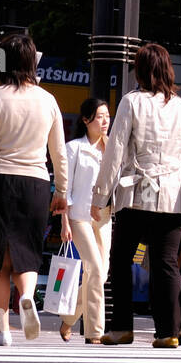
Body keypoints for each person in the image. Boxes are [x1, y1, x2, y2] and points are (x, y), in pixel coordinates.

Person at [91, 42, 181, 348]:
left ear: (140, 71)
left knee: (120, 260)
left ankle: (121, 328)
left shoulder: (131, 102)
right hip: (174, 198)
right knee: (166, 263)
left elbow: (114, 152)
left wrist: (100, 197)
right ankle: (168, 331)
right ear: (169, 70)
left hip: (135, 195)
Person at [0, 33, 69, 346]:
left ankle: (2, 330)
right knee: (27, 255)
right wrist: (62, 191)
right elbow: (59, 152)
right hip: (37, 184)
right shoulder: (48, 100)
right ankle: (26, 296)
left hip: (1, 183)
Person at [60, 98, 111, 343]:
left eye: (107, 116)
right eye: (99, 116)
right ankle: (95, 333)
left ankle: (69, 319)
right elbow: (64, 189)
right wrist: (64, 222)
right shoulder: (73, 149)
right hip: (79, 216)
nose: (105, 121)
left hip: (105, 217)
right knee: (94, 268)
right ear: (86, 120)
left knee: (99, 275)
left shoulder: (112, 149)